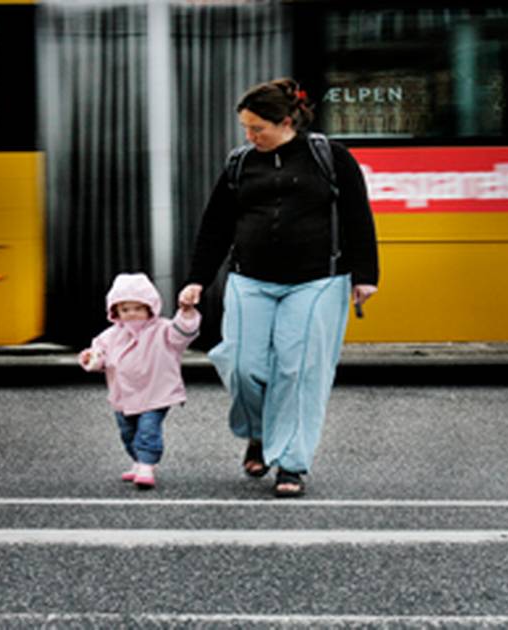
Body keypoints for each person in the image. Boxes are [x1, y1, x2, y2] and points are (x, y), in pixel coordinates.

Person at [178, 78, 379, 498]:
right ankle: (260, 431)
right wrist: (197, 279)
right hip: (249, 279)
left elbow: (357, 215)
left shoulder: (330, 157)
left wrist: (365, 275)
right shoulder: (240, 163)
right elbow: (216, 225)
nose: (250, 136)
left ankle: (290, 462)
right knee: (241, 364)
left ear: (286, 122)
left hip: (317, 282)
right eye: (245, 128)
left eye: (258, 128)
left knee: (298, 372)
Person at [80, 272, 201, 489]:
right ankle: (137, 461)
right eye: (125, 309)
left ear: (150, 308)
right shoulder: (109, 336)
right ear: (115, 311)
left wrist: (186, 313)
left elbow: (184, 332)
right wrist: (92, 359)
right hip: (123, 395)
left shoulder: (164, 330)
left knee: (148, 429)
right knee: (128, 432)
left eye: (138, 308)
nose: (132, 314)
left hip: (156, 392)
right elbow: (100, 356)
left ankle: (147, 464)